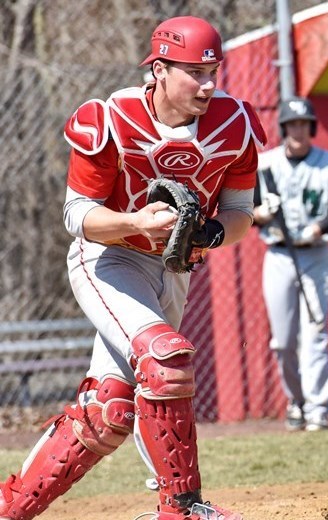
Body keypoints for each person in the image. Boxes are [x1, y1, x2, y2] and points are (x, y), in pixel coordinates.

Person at [0, 16, 266, 520]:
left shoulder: (235, 124)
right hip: (109, 258)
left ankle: (8, 509)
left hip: (174, 270)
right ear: (159, 69)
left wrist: (210, 232)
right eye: (194, 73)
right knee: (165, 361)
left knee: (108, 412)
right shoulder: (112, 118)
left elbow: (240, 216)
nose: (209, 85)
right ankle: (182, 508)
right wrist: (134, 220)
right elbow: (77, 216)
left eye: (214, 73)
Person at [253, 97, 328, 431]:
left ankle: (318, 408)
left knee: (316, 331)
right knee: (283, 341)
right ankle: (297, 402)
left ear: (311, 128)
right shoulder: (266, 165)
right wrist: (260, 214)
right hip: (278, 254)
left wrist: (318, 227)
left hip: (315, 253)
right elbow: (245, 208)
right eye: (292, 124)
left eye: (303, 124)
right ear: (284, 129)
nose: (298, 131)